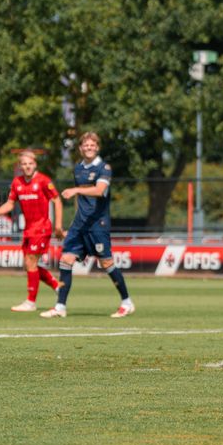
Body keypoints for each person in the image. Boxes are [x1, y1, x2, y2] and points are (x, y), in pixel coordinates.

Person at [40, 132, 134, 319]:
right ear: (81, 148)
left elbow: (100, 191)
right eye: (86, 145)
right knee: (66, 260)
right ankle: (60, 307)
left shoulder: (103, 168)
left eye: (92, 145)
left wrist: (75, 190)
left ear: (97, 148)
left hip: (98, 224)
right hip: (79, 225)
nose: (89, 148)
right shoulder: (78, 169)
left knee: (106, 263)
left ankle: (126, 302)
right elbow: (82, 201)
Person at [0, 150, 63, 312]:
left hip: (41, 228)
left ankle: (30, 302)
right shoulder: (17, 182)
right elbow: (10, 204)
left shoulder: (43, 181)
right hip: (28, 230)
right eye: (24, 164)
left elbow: (57, 200)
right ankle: (57, 286)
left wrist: (58, 226)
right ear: (20, 166)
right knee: (28, 265)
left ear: (35, 164)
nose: (27, 166)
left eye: (30, 163)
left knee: (31, 262)